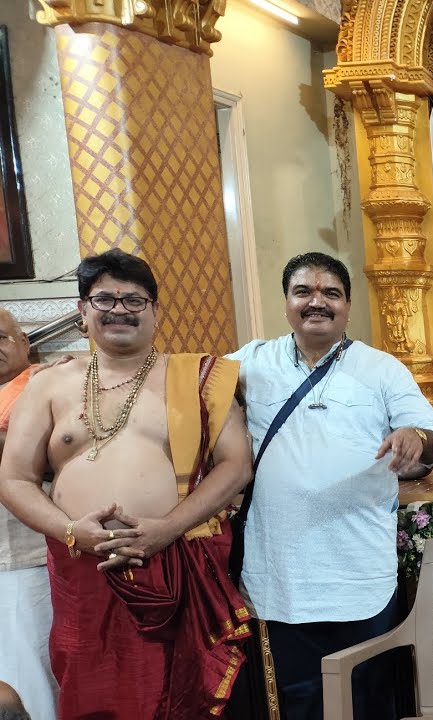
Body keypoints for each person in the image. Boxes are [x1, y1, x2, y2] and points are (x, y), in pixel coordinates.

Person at [0, 249, 254, 719]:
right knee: (89, 690)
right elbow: (15, 478)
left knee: (178, 694)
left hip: (173, 564)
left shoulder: (198, 378)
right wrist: (72, 530)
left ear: (155, 311)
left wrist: (167, 528)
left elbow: (236, 466)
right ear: (82, 310)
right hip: (81, 569)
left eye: (135, 300)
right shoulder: (49, 385)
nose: (120, 309)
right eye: (105, 299)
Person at [229, 252, 433, 720]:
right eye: (303, 291)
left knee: (368, 696)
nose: (317, 302)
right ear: (286, 302)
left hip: (358, 569)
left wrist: (415, 437)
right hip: (281, 574)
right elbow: (188, 386)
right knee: (300, 701)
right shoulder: (251, 362)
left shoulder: (380, 368)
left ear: (347, 305)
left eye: (331, 293)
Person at [0, 309, 56, 720]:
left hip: (25, 560)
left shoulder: (49, 387)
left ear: (25, 344)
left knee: (30, 677)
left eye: (1, 337)